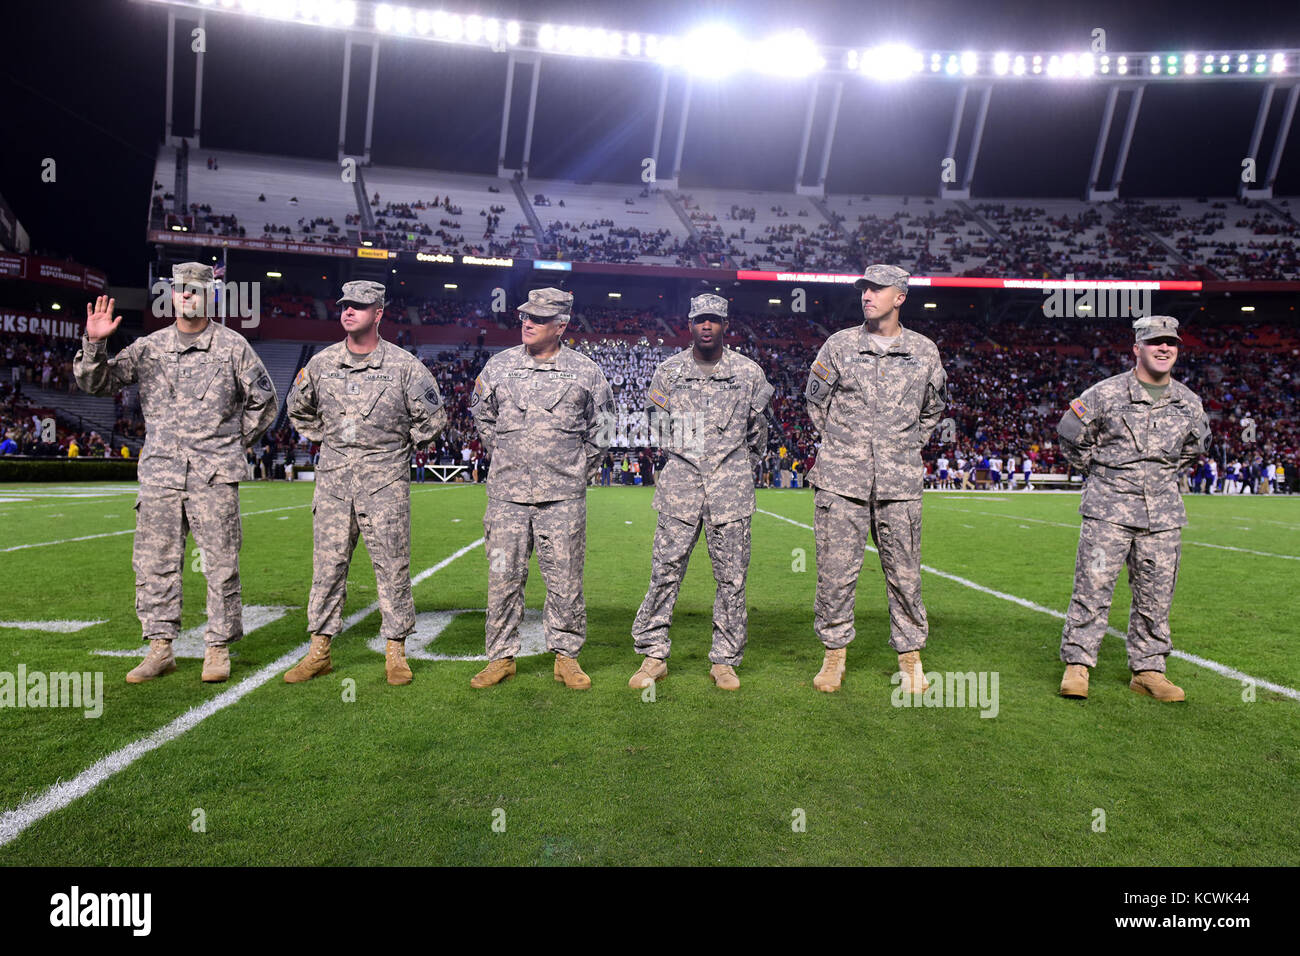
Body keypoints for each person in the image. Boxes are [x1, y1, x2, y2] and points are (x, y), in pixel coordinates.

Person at [73, 264, 279, 684]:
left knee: (219, 565)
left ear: (211, 296)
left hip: (213, 477)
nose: (186, 296)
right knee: (154, 564)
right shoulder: (150, 348)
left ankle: (217, 647)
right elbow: (98, 384)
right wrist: (94, 345)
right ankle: (160, 648)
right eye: (180, 290)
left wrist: (231, 444)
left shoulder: (233, 347)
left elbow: (265, 402)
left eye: (195, 290)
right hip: (160, 477)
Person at [284, 280, 446, 686]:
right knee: (327, 567)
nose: (348, 311)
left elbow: (433, 420)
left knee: (392, 568)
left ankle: (395, 651)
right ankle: (319, 650)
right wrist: (329, 438)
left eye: (359, 306)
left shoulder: (405, 367)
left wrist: (393, 450)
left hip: (385, 486)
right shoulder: (321, 364)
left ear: (378, 313)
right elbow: (296, 409)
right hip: (334, 484)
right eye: (344, 305)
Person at [803, 263, 948, 694]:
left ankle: (910, 657)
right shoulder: (838, 345)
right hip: (840, 481)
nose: (867, 296)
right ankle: (833, 655)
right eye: (864, 289)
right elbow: (816, 404)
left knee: (905, 575)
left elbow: (933, 410)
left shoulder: (924, 352)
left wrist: (901, 448)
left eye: (877, 290)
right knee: (835, 573)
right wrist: (845, 447)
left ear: (899, 297)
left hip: (898, 483)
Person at [1056, 316, 1209, 702]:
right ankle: (1078, 665)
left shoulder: (1188, 402)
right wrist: (1103, 474)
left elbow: (1194, 449)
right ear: (1136, 348)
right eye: (1155, 341)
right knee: (1092, 588)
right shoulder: (1104, 394)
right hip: (1109, 510)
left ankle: (1149, 670)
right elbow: (1071, 438)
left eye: (1170, 343)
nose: (1163, 348)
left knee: (1156, 596)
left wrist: (1157, 478)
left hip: (1162, 515)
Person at [468, 287, 613, 690]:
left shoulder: (586, 371)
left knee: (565, 581)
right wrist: (507, 456)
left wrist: (575, 470)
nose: (527, 323)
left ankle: (566, 657)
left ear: (561, 325)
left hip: (562, 498)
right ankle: (500, 657)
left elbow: (604, 428)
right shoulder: (498, 367)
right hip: (507, 497)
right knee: (503, 578)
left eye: (538, 319)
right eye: (524, 317)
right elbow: (482, 415)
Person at [628, 294, 773, 692]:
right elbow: (658, 427)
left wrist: (733, 469)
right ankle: (653, 653)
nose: (706, 326)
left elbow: (759, 436)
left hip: (731, 491)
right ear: (689, 325)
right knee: (665, 571)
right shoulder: (668, 373)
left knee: (732, 578)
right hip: (680, 490)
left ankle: (724, 659)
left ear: (726, 325)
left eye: (714, 320)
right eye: (699, 320)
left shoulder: (750, 374)